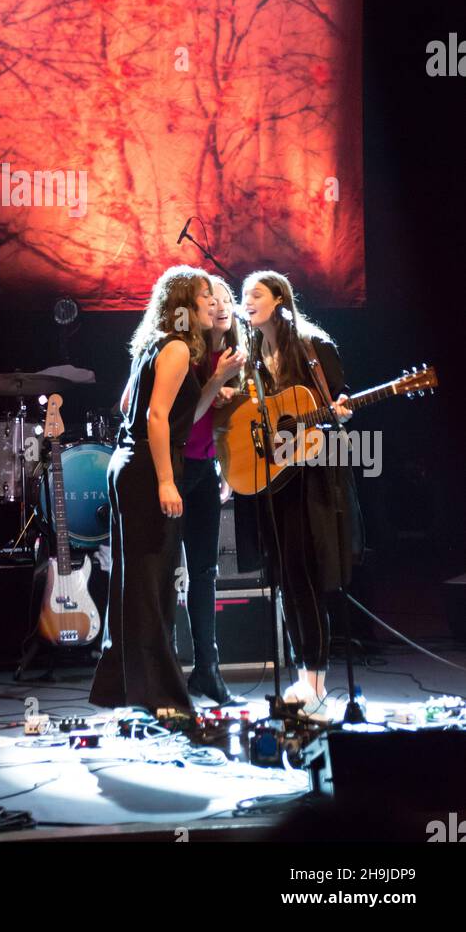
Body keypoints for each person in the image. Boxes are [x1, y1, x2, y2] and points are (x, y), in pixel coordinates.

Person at [89, 266, 215, 715]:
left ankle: (124, 689)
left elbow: (128, 405)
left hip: (126, 463)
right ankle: (157, 695)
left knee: (133, 582)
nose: (213, 304)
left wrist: (215, 385)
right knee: (151, 585)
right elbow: (156, 418)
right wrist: (165, 478)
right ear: (186, 304)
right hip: (148, 468)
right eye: (205, 296)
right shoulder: (178, 347)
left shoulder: (152, 344)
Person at [239, 270, 358, 721]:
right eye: (244, 295)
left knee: (306, 575)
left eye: (255, 295)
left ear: (279, 301)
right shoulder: (251, 351)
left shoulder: (312, 347)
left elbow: (335, 402)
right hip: (273, 478)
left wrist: (338, 412)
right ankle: (303, 677)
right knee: (286, 577)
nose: (246, 302)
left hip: (312, 475)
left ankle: (316, 680)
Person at [181, 277, 247, 704]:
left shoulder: (237, 355)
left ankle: (208, 670)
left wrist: (223, 463)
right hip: (173, 467)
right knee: (166, 574)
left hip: (205, 467)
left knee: (206, 573)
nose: (221, 306)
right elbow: (184, 417)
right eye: (213, 299)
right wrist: (217, 379)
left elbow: (229, 423)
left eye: (228, 299)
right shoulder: (184, 353)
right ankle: (164, 670)